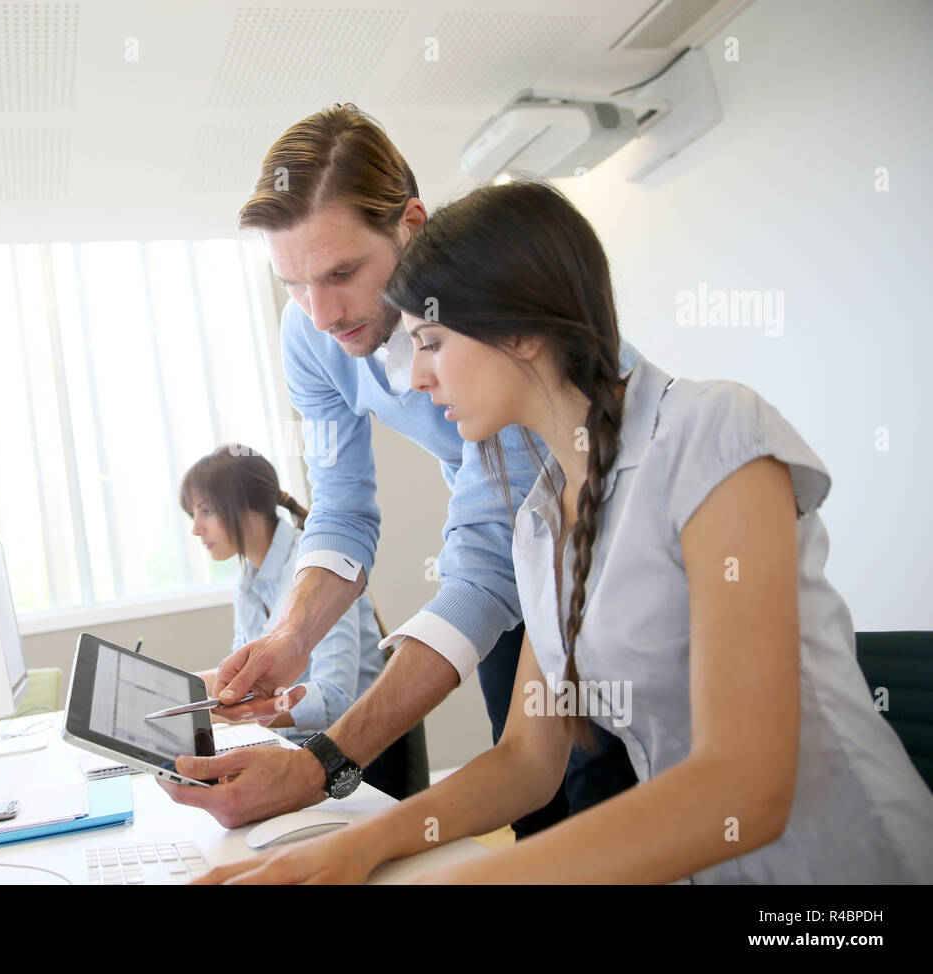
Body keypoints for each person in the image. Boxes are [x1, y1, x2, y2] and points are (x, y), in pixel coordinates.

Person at [195, 179, 933, 883]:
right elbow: (526, 760)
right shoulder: (543, 516)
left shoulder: (712, 432)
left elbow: (743, 789)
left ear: (518, 328)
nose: (416, 380)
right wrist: (358, 848)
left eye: (431, 342)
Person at [157, 103, 639, 831]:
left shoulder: (489, 320)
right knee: (539, 792)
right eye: (292, 284)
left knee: (604, 784)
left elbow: (481, 566)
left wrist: (318, 769)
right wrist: (294, 634)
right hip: (525, 542)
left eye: (342, 272)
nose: (320, 313)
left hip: (606, 538)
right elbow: (343, 504)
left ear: (410, 226)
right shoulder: (313, 333)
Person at [179, 445, 383, 751]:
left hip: (358, 750)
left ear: (251, 508)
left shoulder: (315, 571)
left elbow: (335, 697)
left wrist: (228, 716)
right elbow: (238, 675)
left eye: (207, 510)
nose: (196, 529)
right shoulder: (247, 582)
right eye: (193, 513)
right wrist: (174, 689)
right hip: (295, 745)